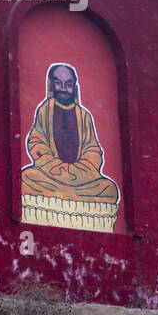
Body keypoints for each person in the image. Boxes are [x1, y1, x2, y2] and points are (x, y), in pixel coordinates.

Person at [21, 63, 120, 233]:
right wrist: (55, 167)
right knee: (26, 178)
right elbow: (37, 142)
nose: (63, 89)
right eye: (58, 83)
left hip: (82, 179)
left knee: (109, 189)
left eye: (68, 84)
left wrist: (77, 170)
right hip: (50, 175)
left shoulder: (84, 116)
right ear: (52, 85)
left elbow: (93, 150)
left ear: (74, 87)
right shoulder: (45, 110)